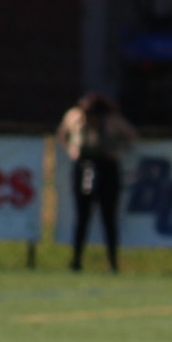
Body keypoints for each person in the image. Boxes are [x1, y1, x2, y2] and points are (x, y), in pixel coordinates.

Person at [55, 92, 136, 272]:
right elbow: (62, 133)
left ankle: (113, 262)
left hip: (106, 166)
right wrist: (71, 150)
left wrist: (118, 151)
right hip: (86, 166)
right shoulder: (75, 117)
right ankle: (76, 260)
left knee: (108, 216)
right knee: (83, 214)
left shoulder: (111, 120)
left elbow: (131, 135)